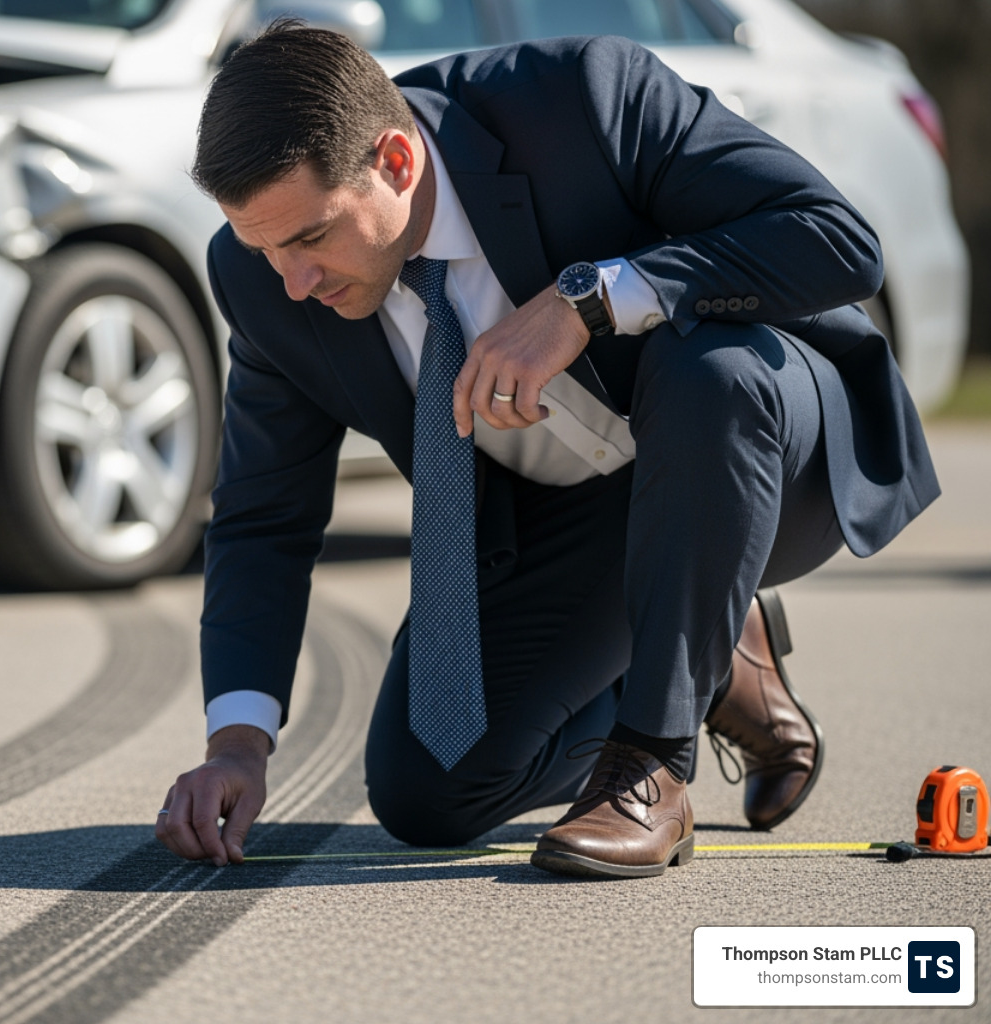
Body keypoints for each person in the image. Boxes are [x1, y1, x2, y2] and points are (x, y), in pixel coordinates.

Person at [155, 21, 937, 878]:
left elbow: (838, 238)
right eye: (264, 246)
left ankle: (653, 762)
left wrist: (591, 302)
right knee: (428, 793)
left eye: (309, 238)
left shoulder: (585, 100)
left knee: (706, 368)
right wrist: (237, 745)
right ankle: (715, 659)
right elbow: (265, 514)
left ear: (397, 162)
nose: (292, 282)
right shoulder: (258, 279)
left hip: (763, 450)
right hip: (570, 514)